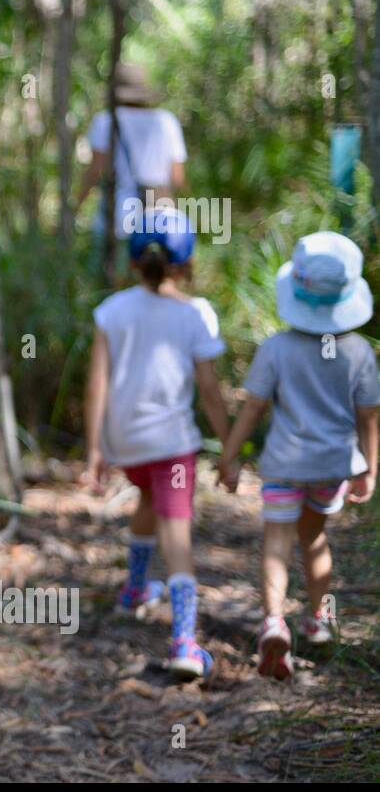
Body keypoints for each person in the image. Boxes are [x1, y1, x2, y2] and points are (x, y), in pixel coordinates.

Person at [218, 231, 379, 680]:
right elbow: (368, 417)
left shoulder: (278, 349)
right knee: (314, 539)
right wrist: (370, 467)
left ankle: (274, 622)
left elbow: (252, 408)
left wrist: (229, 458)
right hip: (331, 466)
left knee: (277, 541)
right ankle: (319, 620)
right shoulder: (359, 353)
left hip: (285, 466)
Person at [83, 208, 230, 680]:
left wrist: (94, 448)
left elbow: (96, 384)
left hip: (126, 441)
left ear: (132, 262)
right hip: (171, 444)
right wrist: (229, 445)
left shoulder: (112, 310)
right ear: (185, 264)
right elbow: (209, 390)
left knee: (148, 496)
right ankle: (185, 640)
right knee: (177, 533)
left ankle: (135, 589)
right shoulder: (195, 314)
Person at [75, 63, 188, 271]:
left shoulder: (105, 121)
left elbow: (94, 171)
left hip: (117, 220)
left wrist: (75, 207)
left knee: (110, 287)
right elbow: (178, 179)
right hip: (160, 221)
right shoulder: (166, 121)